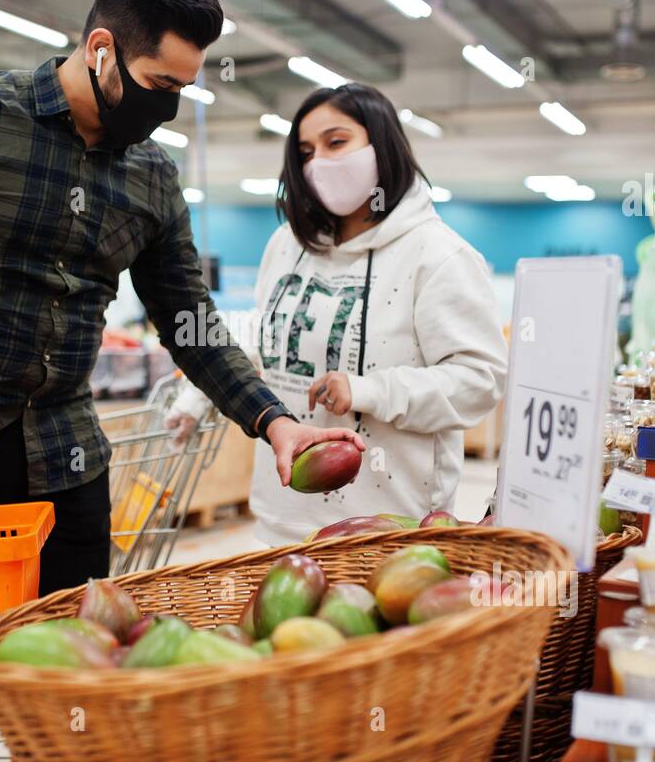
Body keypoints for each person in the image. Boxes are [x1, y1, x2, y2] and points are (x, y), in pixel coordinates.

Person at [0, 0, 360, 762]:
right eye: (159, 83)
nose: (168, 108)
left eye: (183, 88)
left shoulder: (149, 176)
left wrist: (272, 421)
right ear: (101, 47)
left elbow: (187, 316)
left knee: (81, 692)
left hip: (69, 468)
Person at [169, 83, 507, 546]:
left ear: (381, 143)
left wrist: (370, 391)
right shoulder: (287, 244)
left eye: (336, 142)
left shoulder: (438, 256)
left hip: (384, 529)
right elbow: (263, 338)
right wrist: (197, 395)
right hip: (280, 516)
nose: (319, 163)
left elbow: (480, 380)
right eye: (306, 152)